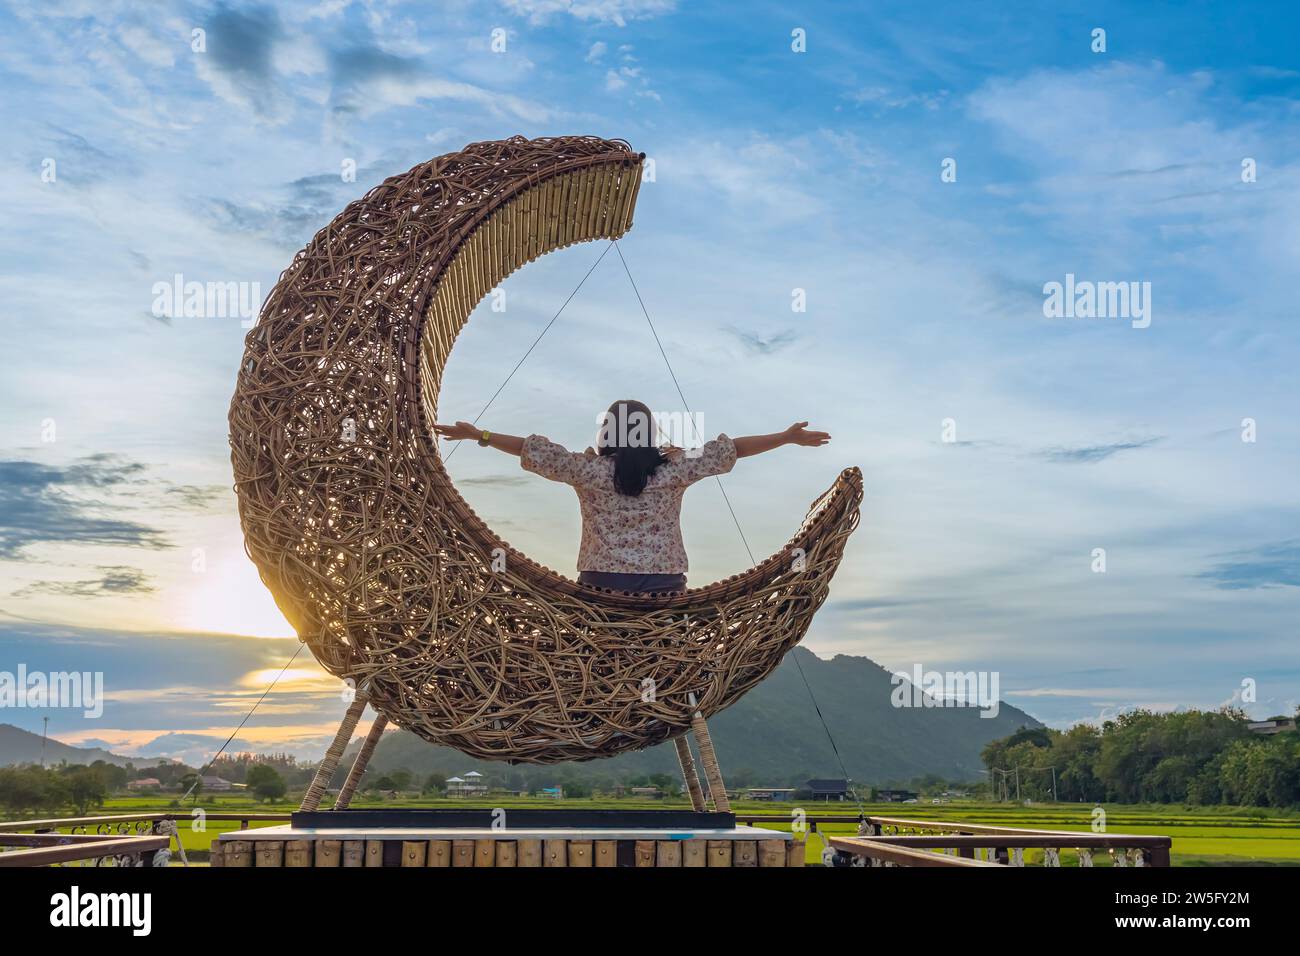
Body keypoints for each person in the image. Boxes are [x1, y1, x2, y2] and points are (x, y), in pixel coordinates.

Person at [433, 399, 830, 593]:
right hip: (663, 584)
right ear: (650, 432)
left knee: (607, 659)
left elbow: (532, 450)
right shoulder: (675, 468)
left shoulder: (589, 471)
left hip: (600, 582)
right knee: (659, 658)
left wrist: (478, 435)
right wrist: (786, 437)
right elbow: (731, 449)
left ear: (607, 433)